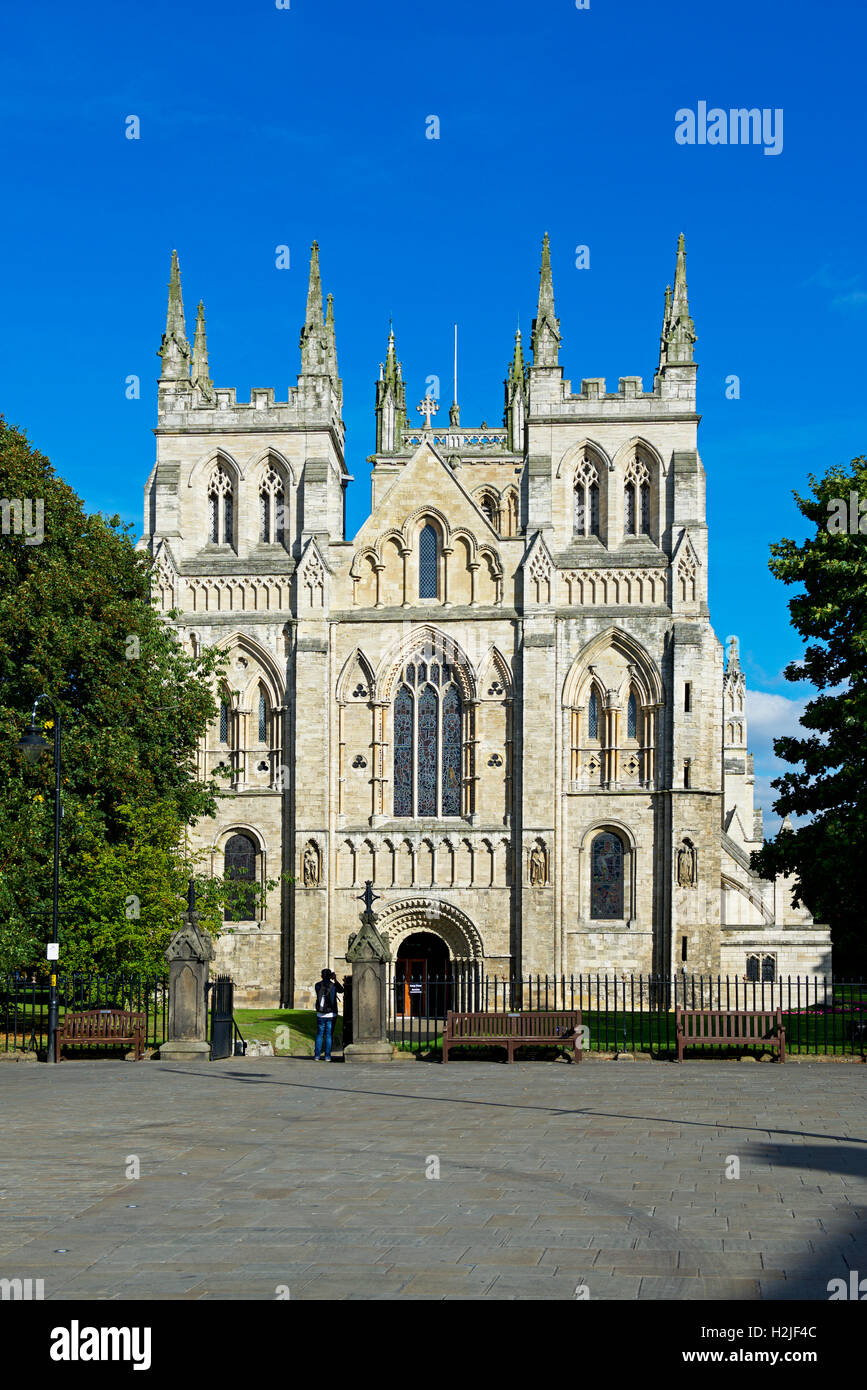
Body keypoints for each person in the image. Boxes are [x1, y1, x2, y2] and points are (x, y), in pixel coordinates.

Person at [313, 968, 343, 1061]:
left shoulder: (317, 985)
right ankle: (327, 1056)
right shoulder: (333, 986)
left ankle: (317, 1056)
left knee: (319, 1034)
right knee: (329, 1035)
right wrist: (335, 979)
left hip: (320, 1013)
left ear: (321, 976)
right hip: (331, 1013)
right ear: (330, 976)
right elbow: (341, 990)